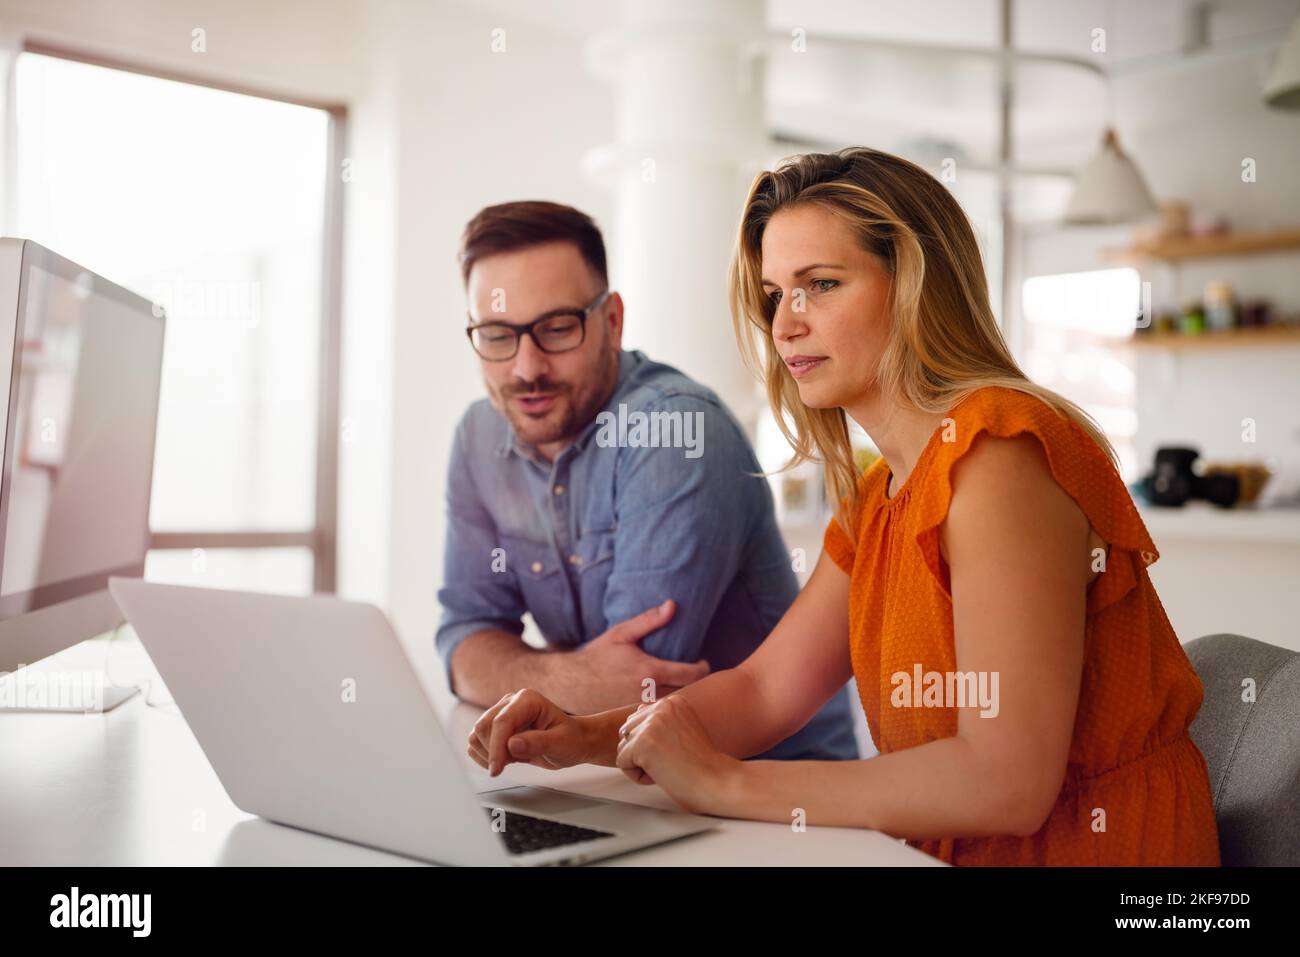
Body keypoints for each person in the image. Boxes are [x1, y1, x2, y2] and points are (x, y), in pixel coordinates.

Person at [465, 150, 1222, 867]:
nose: (785, 322)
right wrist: (591, 734)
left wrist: (724, 782)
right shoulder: (880, 494)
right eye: (774, 294)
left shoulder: (1000, 456)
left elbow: (1007, 783)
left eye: (820, 284)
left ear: (915, 285)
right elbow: (766, 691)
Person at [436, 200, 858, 761]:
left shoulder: (675, 430)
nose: (526, 368)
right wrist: (569, 673)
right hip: (612, 776)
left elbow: (636, 688)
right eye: (496, 335)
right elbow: (463, 641)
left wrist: (519, 669)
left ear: (611, 321)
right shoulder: (478, 438)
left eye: (557, 329)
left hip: (772, 799)